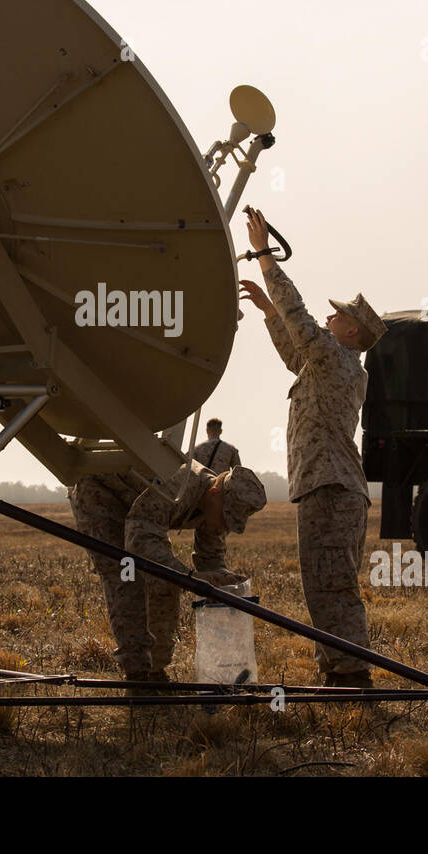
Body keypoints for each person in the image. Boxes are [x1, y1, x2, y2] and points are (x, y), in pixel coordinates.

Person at [238, 207, 387, 689]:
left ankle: (352, 675)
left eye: (339, 314)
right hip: (324, 487)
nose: (332, 314)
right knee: (321, 586)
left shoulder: (338, 362)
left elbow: (301, 323)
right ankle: (339, 671)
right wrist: (268, 311)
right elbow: (293, 351)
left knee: (332, 587)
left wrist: (264, 257)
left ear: (350, 333)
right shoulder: (329, 364)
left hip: (330, 489)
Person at [69, 462, 266, 683]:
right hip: (101, 495)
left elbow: (210, 559)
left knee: (167, 584)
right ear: (214, 492)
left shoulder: (214, 506)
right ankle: (137, 674)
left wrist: (223, 579)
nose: (225, 526)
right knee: (126, 576)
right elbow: (140, 539)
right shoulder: (179, 484)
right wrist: (188, 578)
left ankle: (155, 670)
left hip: (142, 513)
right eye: (225, 516)